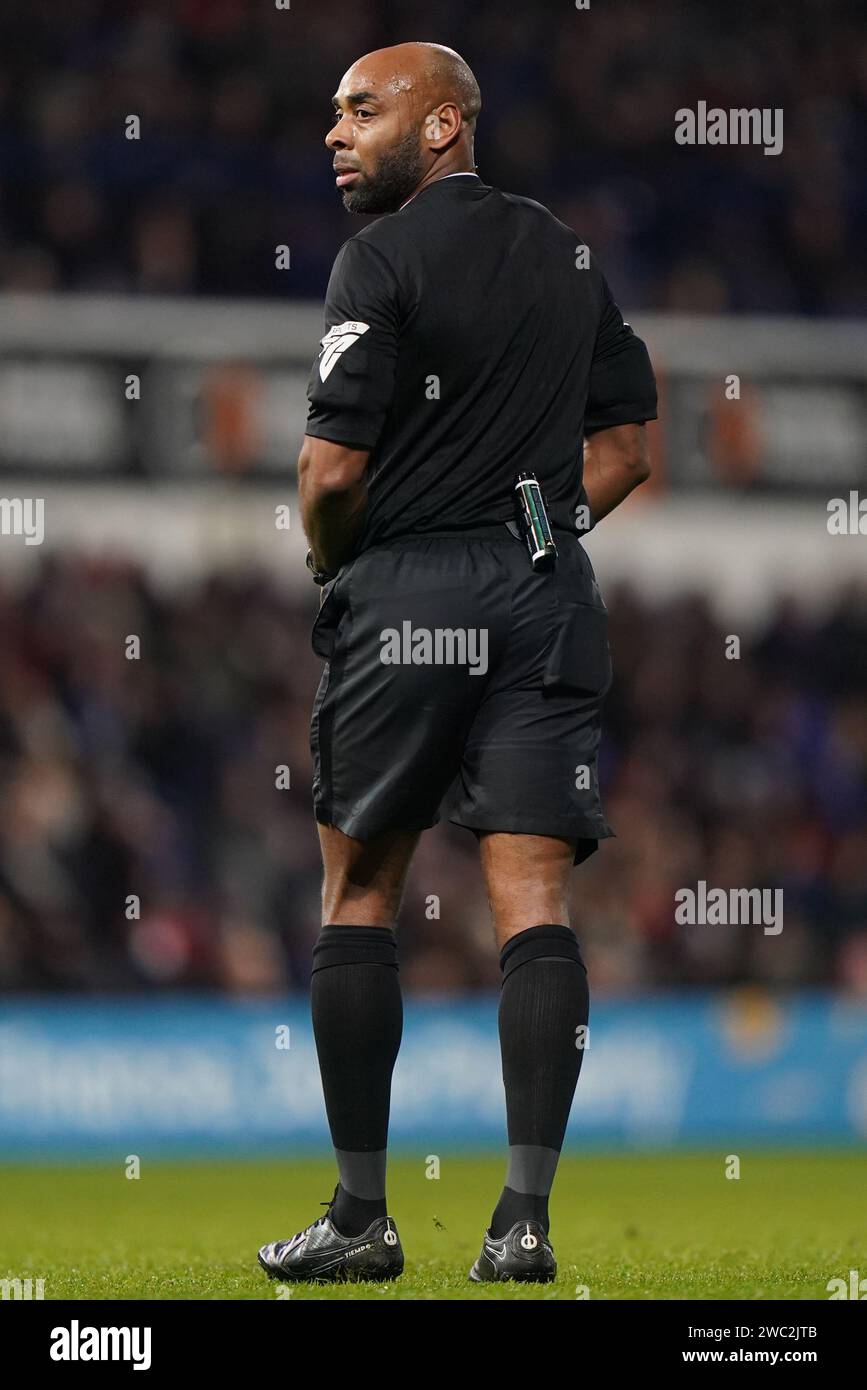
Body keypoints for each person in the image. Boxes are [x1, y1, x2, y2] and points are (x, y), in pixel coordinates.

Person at [258, 40, 657, 1285]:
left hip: (406, 595)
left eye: (362, 111)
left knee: (361, 894)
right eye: (331, 113)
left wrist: (335, 559)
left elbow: (330, 474)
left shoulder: (375, 260)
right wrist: (538, 524)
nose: (335, 132)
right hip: (543, 596)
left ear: (442, 127)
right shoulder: (566, 250)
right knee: (534, 906)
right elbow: (631, 446)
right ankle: (523, 1221)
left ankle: (362, 1218)